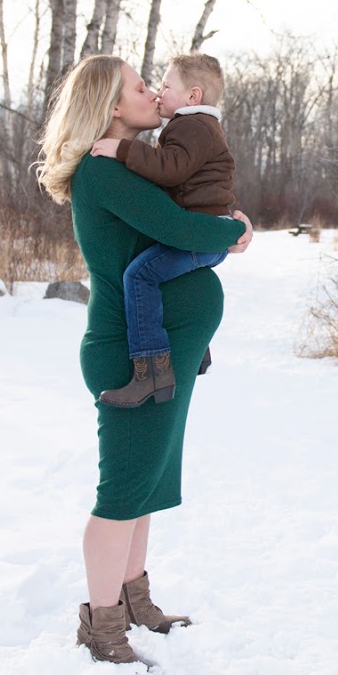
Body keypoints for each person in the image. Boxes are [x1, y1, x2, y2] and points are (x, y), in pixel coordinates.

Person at [35, 54, 252, 666]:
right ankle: (101, 625)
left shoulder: (134, 166)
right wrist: (232, 231)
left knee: (149, 484)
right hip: (131, 356)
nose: (153, 95)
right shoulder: (105, 172)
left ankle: (135, 602)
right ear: (110, 106)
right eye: (139, 87)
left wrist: (224, 223)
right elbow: (181, 229)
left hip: (162, 353)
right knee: (123, 490)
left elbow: (185, 214)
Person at [88, 52, 237, 408]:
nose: (158, 92)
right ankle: (198, 352)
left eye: (165, 86)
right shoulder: (198, 126)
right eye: (146, 88)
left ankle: (152, 371)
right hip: (207, 230)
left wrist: (123, 149)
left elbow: (170, 170)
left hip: (203, 232)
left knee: (140, 277)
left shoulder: (191, 126)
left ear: (193, 96)